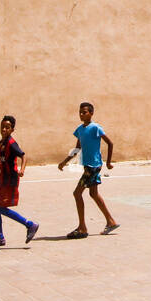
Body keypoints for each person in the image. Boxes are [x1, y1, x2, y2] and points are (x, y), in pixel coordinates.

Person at [57, 102, 117, 238]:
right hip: (89, 166)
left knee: (77, 193)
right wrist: (64, 162)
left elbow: (110, 143)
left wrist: (108, 162)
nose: (82, 114)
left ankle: (82, 228)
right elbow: (77, 148)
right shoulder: (79, 129)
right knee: (94, 194)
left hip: (93, 166)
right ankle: (111, 221)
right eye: (80, 112)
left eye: (85, 112)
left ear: (91, 113)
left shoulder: (95, 127)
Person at [0, 115, 39, 247]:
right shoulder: (2, 143)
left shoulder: (12, 144)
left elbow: (23, 156)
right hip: (3, 179)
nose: (4, 129)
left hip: (10, 179)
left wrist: (22, 170)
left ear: (12, 129)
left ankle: (30, 224)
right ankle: (0, 237)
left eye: (7, 127)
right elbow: (1, 158)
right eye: (2, 127)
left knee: (0, 207)